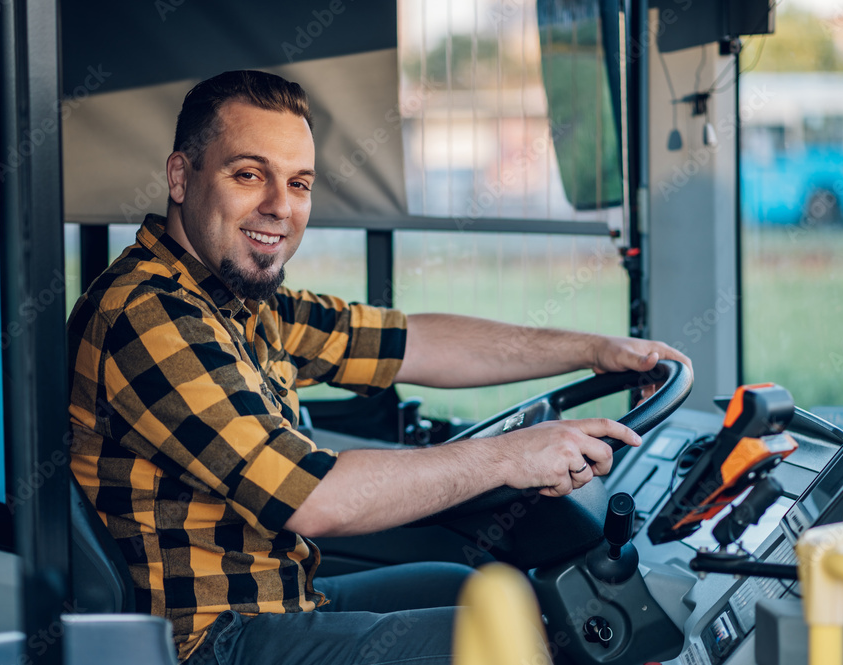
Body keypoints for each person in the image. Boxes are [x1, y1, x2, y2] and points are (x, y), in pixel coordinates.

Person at [67, 70, 692, 665]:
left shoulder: (236, 300)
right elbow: (311, 498)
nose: (280, 206)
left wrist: (593, 349)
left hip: (277, 599)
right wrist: (509, 455)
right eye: (249, 174)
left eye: (300, 183)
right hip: (213, 641)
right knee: (515, 641)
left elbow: (410, 342)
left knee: (481, 586)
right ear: (181, 176)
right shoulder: (148, 314)